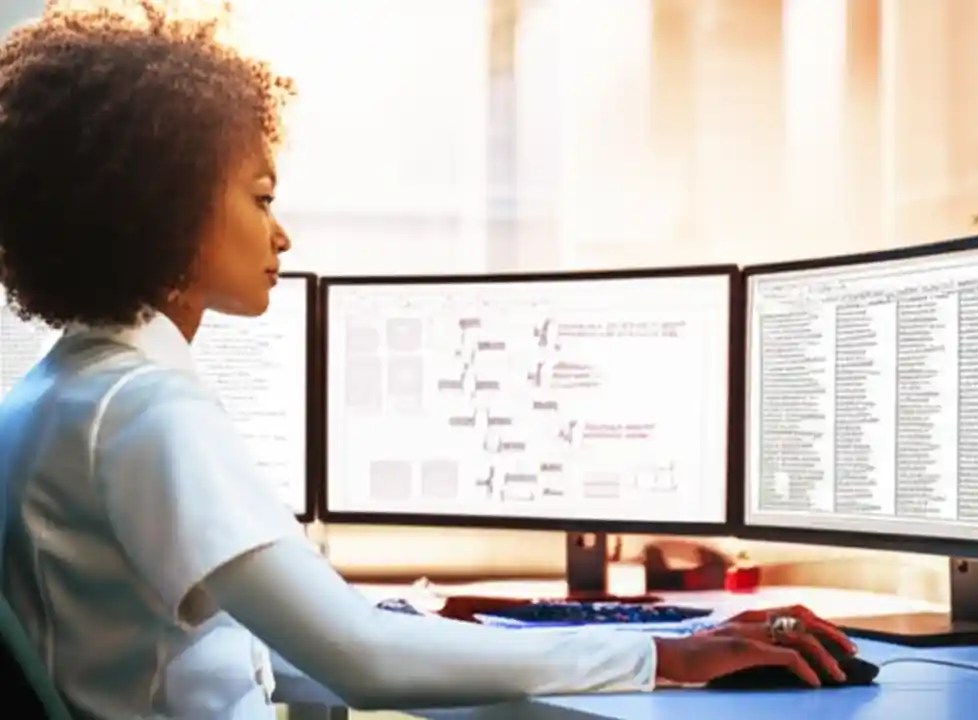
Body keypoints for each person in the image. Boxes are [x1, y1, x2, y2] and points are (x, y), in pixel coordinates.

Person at [0, 2, 856, 718]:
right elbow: (361, 662)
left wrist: (444, 630)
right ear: (162, 210)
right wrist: (662, 654)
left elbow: (257, 646)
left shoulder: (58, 392)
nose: (282, 233)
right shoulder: (148, 410)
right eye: (261, 198)